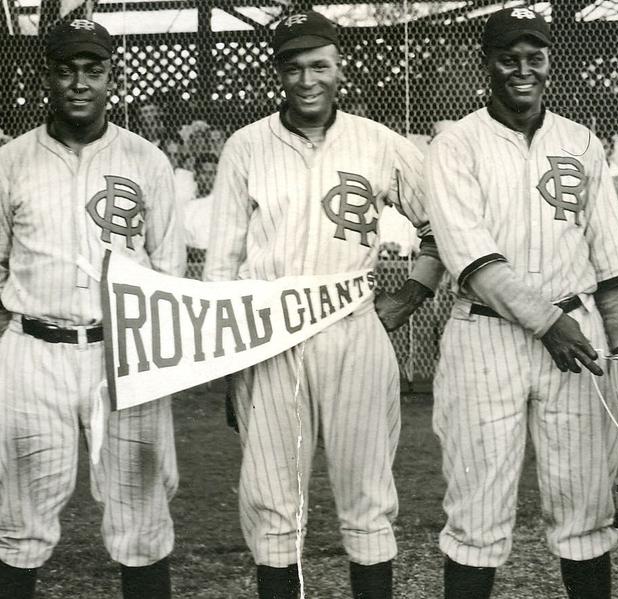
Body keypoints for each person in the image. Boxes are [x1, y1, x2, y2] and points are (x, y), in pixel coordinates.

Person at [203, 10, 444, 599]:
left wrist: (408, 297)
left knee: (367, 497)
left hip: (352, 325)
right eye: (293, 67)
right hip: (267, 333)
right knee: (271, 499)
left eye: (320, 65)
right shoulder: (246, 146)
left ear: (340, 68)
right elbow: (221, 263)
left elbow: (442, 229)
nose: (307, 79)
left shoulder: (378, 140)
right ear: (277, 73)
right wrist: (228, 360)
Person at [424, 8, 618, 598]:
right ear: (486, 63)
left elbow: (613, 265)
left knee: (584, 510)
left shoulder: (581, 142)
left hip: (577, 331)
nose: (523, 69)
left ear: (549, 61)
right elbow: (471, 257)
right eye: (508, 57)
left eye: (534, 57)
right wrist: (548, 321)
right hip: (486, 334)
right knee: (477, 510)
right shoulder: (455, 144)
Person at [0, 19, 183, 599]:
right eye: (66, 68)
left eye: (93, 70)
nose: (79, 82)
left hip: (123, 352)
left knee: (142, 519)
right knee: (18, 520)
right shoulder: (11, 162)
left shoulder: (146, 160)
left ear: (112, 78)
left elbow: (170, 272)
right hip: (34, 350)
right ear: (46, 76)